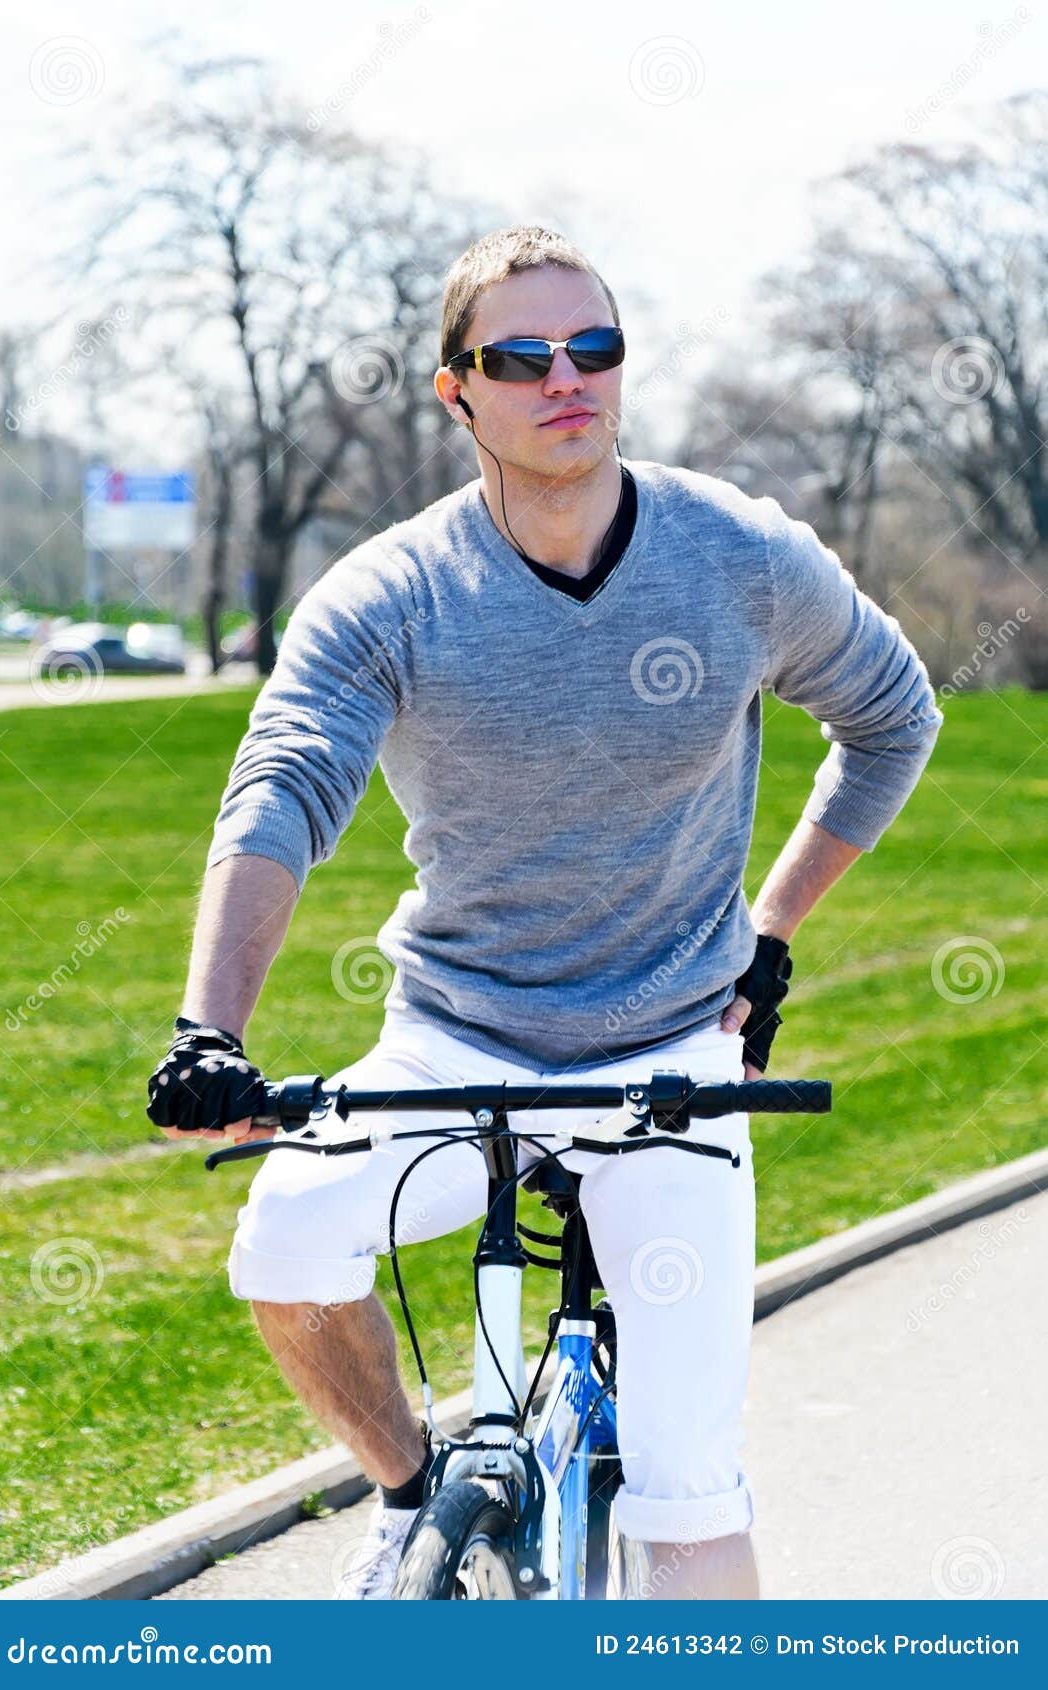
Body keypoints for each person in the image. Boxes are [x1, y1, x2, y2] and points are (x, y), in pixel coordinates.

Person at [147, 226, 943, 1600]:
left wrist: (772, 924)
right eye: (521, 357)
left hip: (670, 1056)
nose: (566, 378)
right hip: (460, 1036)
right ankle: (410, 1496)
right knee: (282, 1241)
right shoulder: (392, 594)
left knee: (692, 1485)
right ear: (458, 392)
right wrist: (205, 1026)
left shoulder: (740, 558)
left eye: (596, 347)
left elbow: (895, 717)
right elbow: (281, 789)